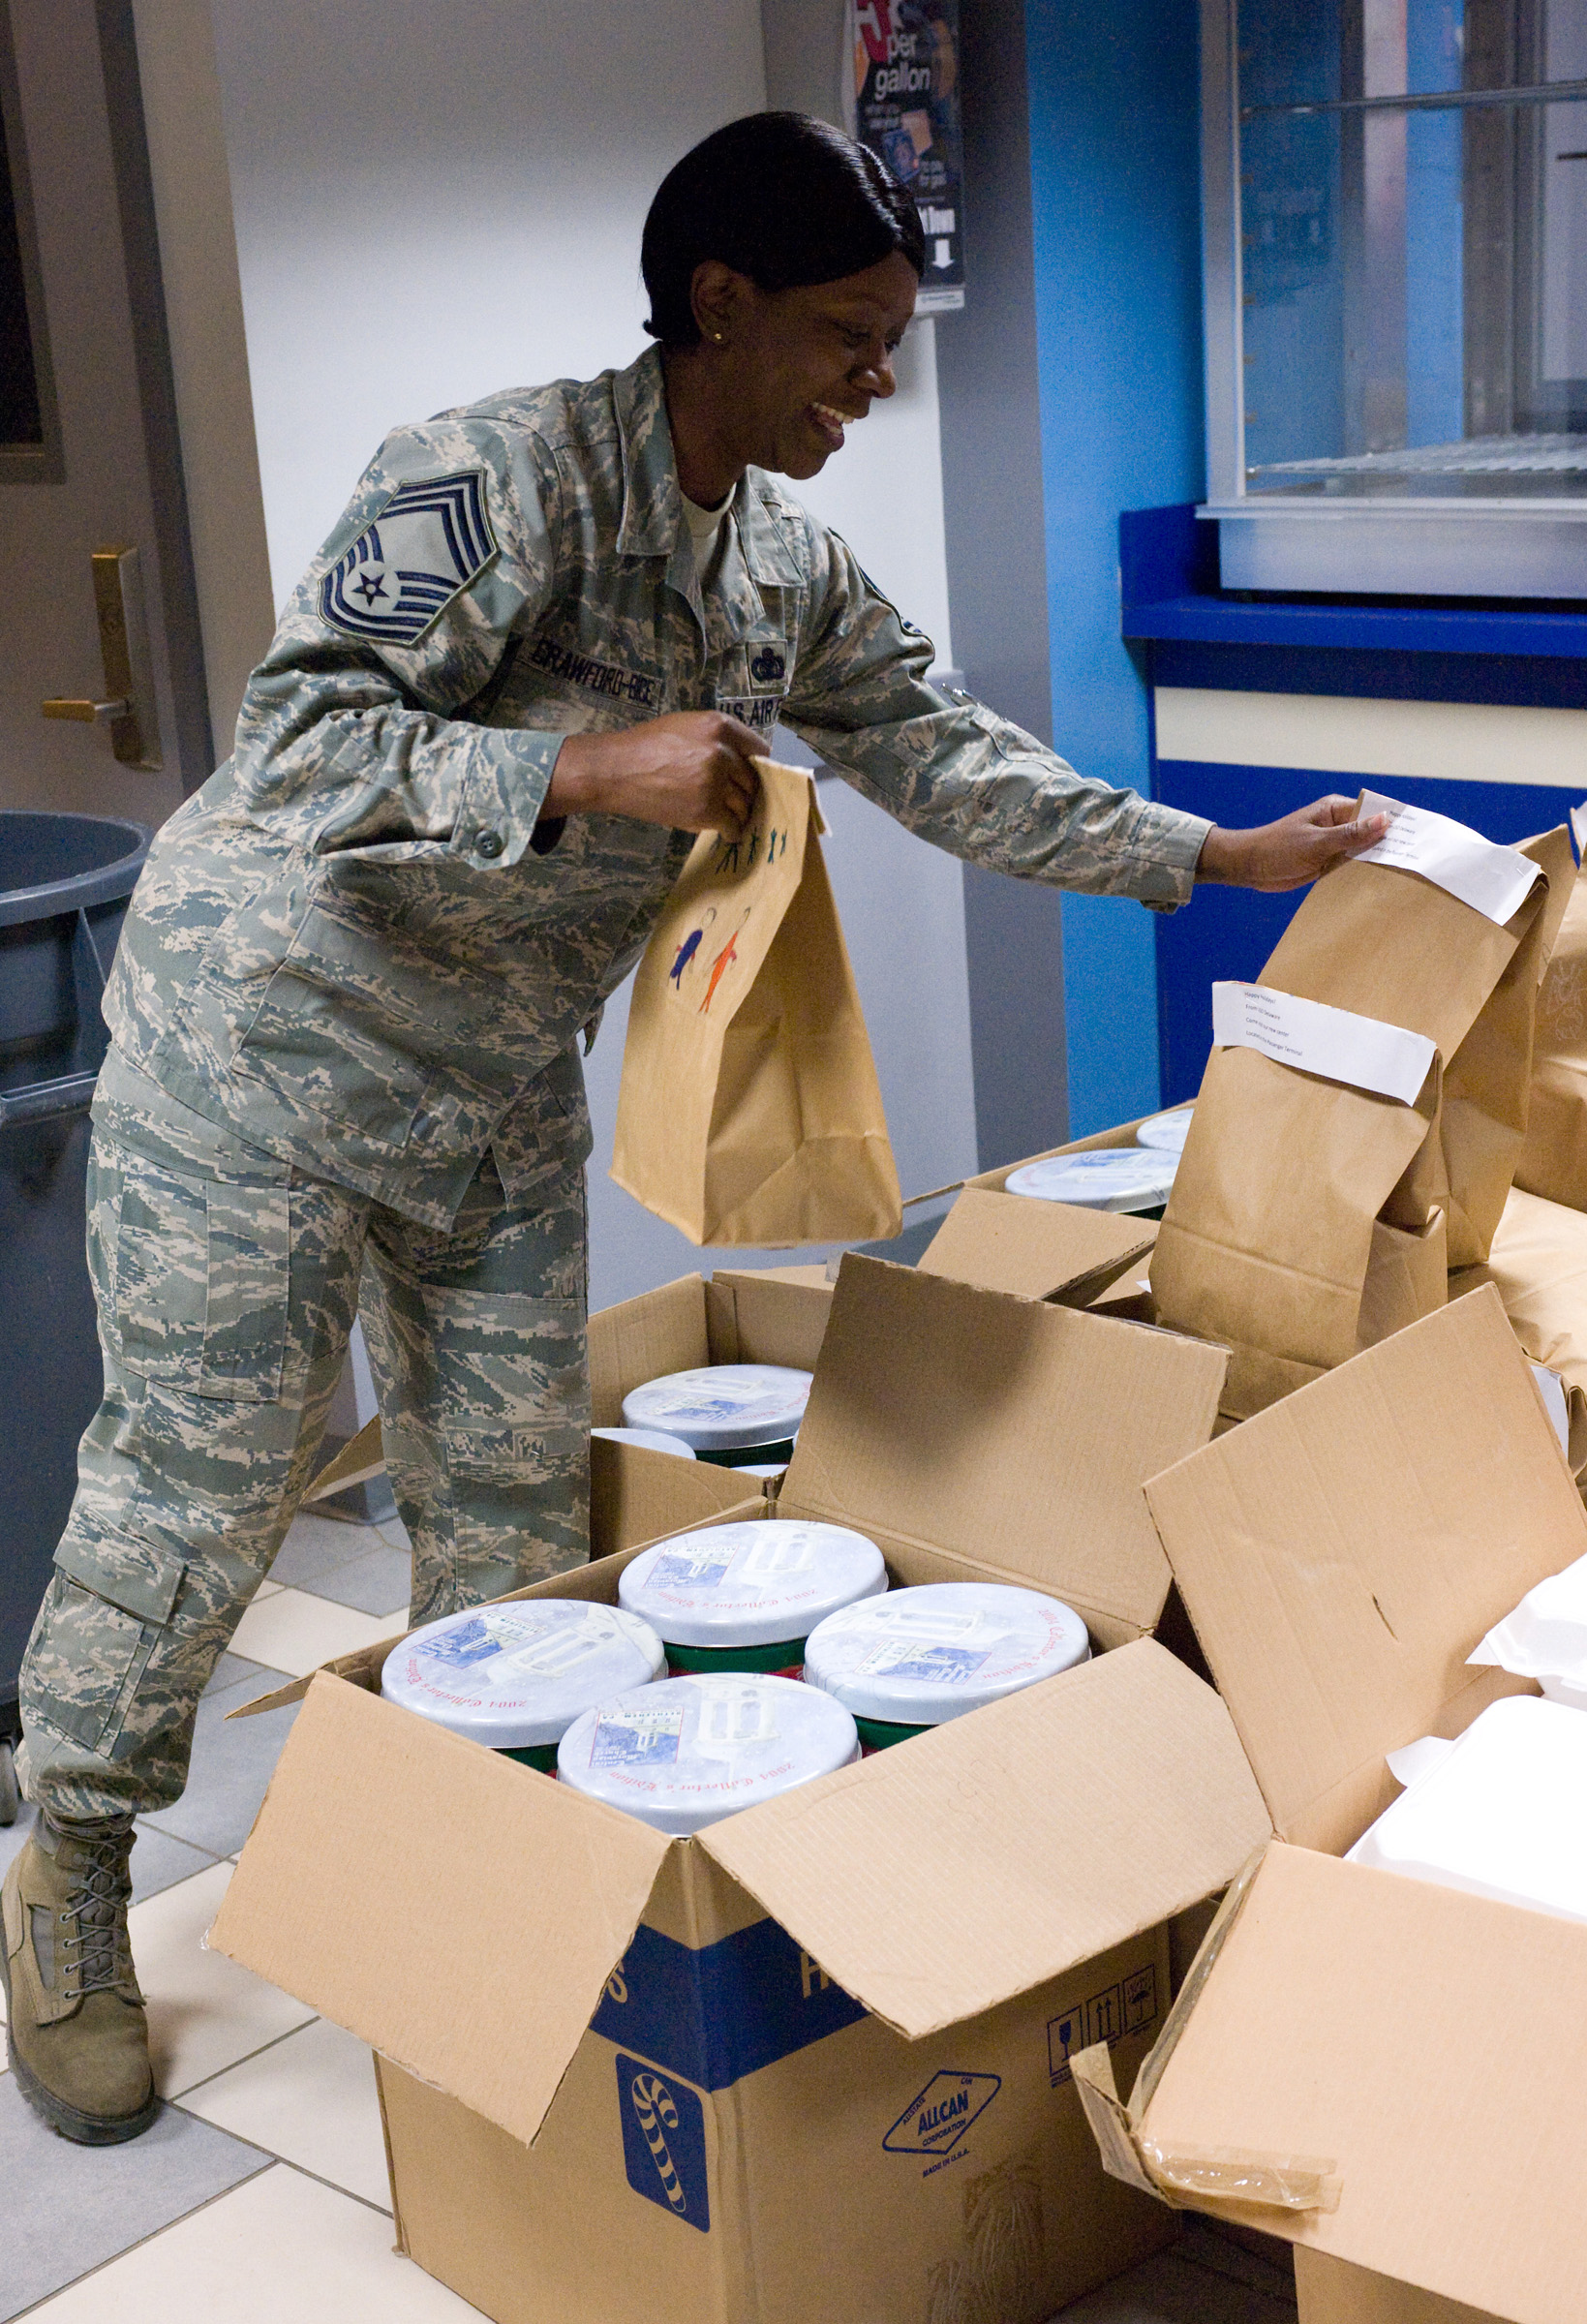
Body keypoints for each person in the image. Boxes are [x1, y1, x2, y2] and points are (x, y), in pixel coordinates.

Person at [0, 110, 1384, 2144]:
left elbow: (942, 753)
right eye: (845, 336)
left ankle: (484, 1887)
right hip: (266, 1053)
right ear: (716, 309)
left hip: (484, 1086)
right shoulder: (490, 479)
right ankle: (75, 1892)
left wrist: (1218, 852)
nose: (875, 381)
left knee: (503, 1525)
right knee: (205, 1493)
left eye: (890, 339)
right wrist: (587, 766)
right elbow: (298, 745)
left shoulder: (781, 565)